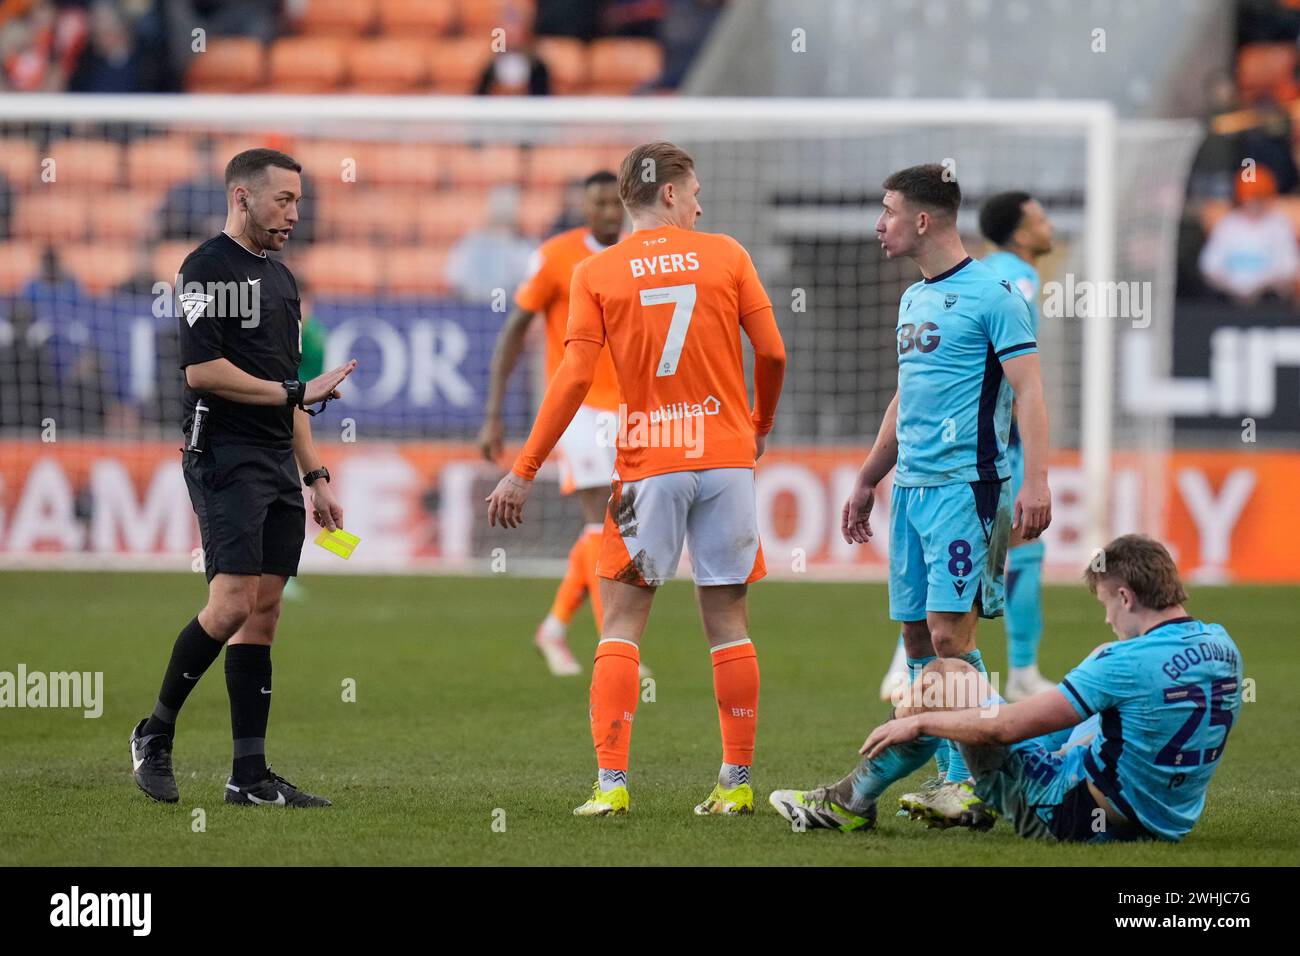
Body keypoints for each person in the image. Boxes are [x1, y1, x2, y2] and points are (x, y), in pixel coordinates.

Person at [485, 142, 786, 817]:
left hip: (651, 462)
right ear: (672, 194)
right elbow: (771, 351)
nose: (702, 202)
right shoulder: (729, 255)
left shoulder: (597, 270)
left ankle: (613, 787)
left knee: (621, 623)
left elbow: (574, 378)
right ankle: (735, 783)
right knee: (730, 623)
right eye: (696, 190)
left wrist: (523, 470)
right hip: (728, 458)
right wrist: (757, 422)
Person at [129, 148, 358, 809]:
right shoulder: (204, 268)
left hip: (276, 465)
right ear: (242, 197)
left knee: (264, 613)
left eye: (298, 202)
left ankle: (249, 778)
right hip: (223, 454)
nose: (294, 212)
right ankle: (155, 733)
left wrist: (315, 475)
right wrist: (296, 387)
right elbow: (202, 372)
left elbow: (291, 396)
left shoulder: (284, 282)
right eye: (283, 200)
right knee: (230, 604)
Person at [771, 535, 1243, 844]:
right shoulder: (1223, 645)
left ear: (1126, 597)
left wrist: (920, 720)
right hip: (1163, 823)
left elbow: (1006, 730)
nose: (1106, 618)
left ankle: (849, 803)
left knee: (945, 676)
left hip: (1073, 816)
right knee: (1096, 713)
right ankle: (963, 790)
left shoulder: (1120, 662)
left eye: (1106, 604)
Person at [840, 164, 1052, 828]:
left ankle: (982, 783)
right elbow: (908, 399)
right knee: (914, 636)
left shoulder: (995, 292)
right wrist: (869, 474)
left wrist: (1039, 481)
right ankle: (955, 780)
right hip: (912, 492)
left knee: (949, 638)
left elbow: (1030, 391)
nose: (880, 223)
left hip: (970, 487)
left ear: (923, 220)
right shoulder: (915, 299)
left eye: (889, 210)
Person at [479, 170, 625, 675]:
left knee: (619, 530)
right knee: (599, 527)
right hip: (580, 409)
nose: (608, 212)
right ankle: (616, 649)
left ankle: (555, 628)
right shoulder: (556, 256)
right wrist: (495, 413)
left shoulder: (641, 254)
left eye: (615, 203)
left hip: (633, 412)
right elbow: (514, 331)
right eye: (599, 203)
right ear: (584, 208)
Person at [1198, 166, 1298, 304]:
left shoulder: (1279, 224)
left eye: (1259, 197)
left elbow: (1290, 267)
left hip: (1269, 300)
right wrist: (1233, 286)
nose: (1254, 203)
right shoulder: (1229, 223)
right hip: (1228, 300)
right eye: (1250, 197)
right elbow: (1209, 266)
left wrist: (1260, 285)